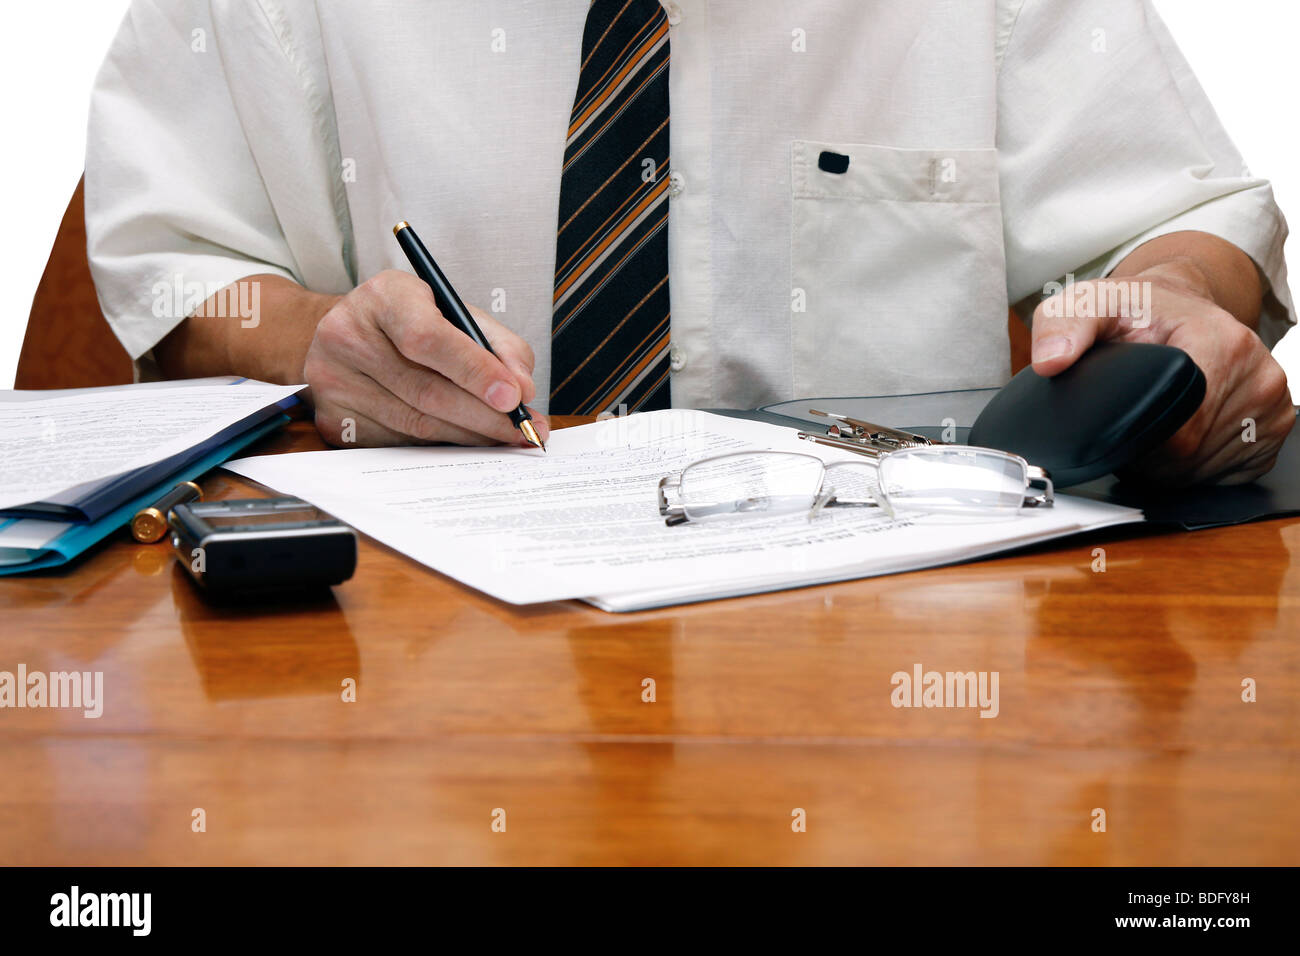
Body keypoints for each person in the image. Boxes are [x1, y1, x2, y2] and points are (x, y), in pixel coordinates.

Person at [85, 0, 1295, 484]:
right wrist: (318, 344)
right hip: (423, 656)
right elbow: (171, 274)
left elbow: (1186, 225)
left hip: (888, 670)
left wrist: (1175, 296)